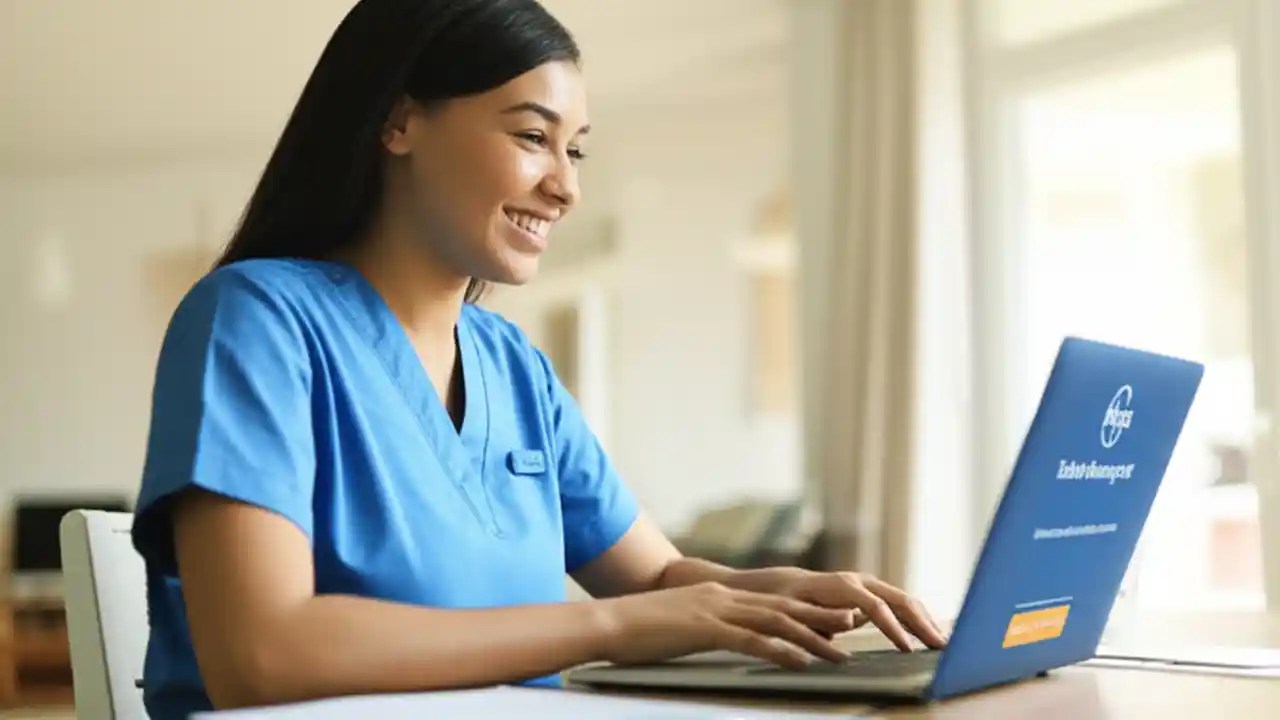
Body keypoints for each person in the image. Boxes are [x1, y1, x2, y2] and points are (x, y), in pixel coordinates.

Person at [131, 1, 947, 717]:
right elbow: (262, 656)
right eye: (531, 137)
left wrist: (783, 596)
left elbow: (655, 580)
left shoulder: (510, 364)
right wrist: (608, 629)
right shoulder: (257, 320)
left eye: (575, 151)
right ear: (398, 121)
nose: (565, 186)